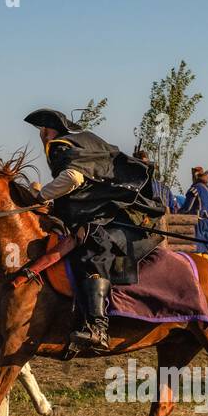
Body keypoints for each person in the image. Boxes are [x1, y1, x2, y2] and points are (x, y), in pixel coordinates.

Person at [23, 108, 163, 355]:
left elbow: (73, 178)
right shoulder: (86, 140)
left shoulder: (60, 145)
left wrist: (41, 195)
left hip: (104, 214)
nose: (42, 136)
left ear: (49, 130)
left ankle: (97, 328)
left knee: (92, 254)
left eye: (42, 131)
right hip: (113, 208)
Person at [180, 166, 208, 255]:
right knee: (206, 248)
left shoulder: (194, 189)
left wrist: (177, 213)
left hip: (199, 222)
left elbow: (187, 208)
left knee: (197, 247)